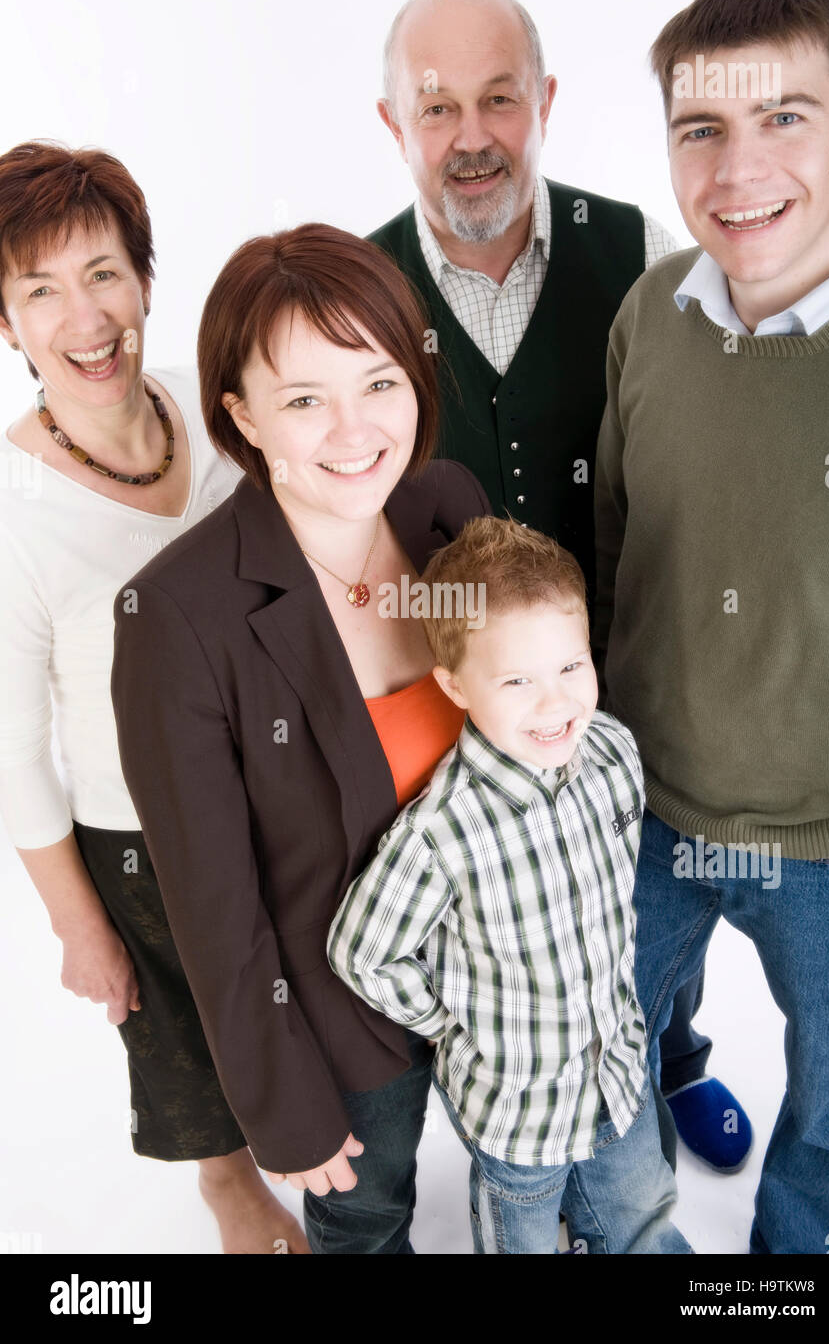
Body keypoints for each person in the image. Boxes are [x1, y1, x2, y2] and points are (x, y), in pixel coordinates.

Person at [366, 0, 746, 1170]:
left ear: (545, 101)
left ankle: (666, 1056)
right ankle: (514, 1113)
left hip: (616, 671)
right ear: (392, 126)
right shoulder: (356, 286)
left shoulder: (635, 246)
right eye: (435, 109)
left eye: (498, 99)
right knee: (504, 923)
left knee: (641, 904)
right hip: (453, 700)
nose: (470, 136)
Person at [110, 222, 491, 1254]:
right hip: (346, 1019)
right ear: (241, 415)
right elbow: (213, 907)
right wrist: (283, 1104)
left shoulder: (448, 508)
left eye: (377, 381)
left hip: (499, 980)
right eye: (303, 399)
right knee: (370, 1212)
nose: (354, 428)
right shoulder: (178, 618)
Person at [593, 0, 829, 1253]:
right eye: (701, 127)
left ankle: (788, 1261)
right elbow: (617, 542)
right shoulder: (651, 310)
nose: (736, 167)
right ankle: (638, 1220)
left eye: (785, 119)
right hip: (648, 803)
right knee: (607, 1051)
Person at [0, 140, 308, 1253]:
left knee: (300, 995)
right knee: (183, 1034)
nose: (83, 317)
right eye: (38, 290)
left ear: (144, 280)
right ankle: (229, 1186)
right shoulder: (14, 512)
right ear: (7, 323)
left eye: (102, 273)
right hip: (142, 838)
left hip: (284, 784)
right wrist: (79, 924)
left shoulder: (213, 408)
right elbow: (11, 752)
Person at [329, 516, 691, 1254]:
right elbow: (360, 953)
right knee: (519, 1235)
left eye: (569, 667)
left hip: (616, 1074)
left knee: (643, 1209)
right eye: (516, 681)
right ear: (454, 685)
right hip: (514, 1107)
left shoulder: (613, 752)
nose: (554, 703)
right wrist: (448, 1022)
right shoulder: (443, 830)